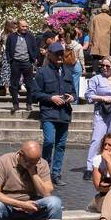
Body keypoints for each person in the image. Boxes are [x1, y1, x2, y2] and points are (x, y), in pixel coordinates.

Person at [32, 43, 77, 184]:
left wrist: (72, 97)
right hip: (49, 113)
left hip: (64, 113)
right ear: (49, 54)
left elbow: (74, 92)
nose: (59, 56)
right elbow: (35, 93)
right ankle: (44, 171)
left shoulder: (67, 72)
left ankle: (56, 174)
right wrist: (50, 98)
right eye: (56, 53)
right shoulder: (42, 72)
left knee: (61, 145)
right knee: (49, 141)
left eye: (61, 53)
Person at [4, 19, 39, 113]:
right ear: (18, 26)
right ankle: (15, 104)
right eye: (23, 26)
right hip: (15, 62)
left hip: (27, 62)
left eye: (26, 26)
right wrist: (10, 60)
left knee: (29, 85)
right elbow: (7, 49)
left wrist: (33, 58)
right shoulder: (11, 36)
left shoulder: (30, 36)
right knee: (14, 85)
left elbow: (35, 48)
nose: (25, 28)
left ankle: (29, 104)